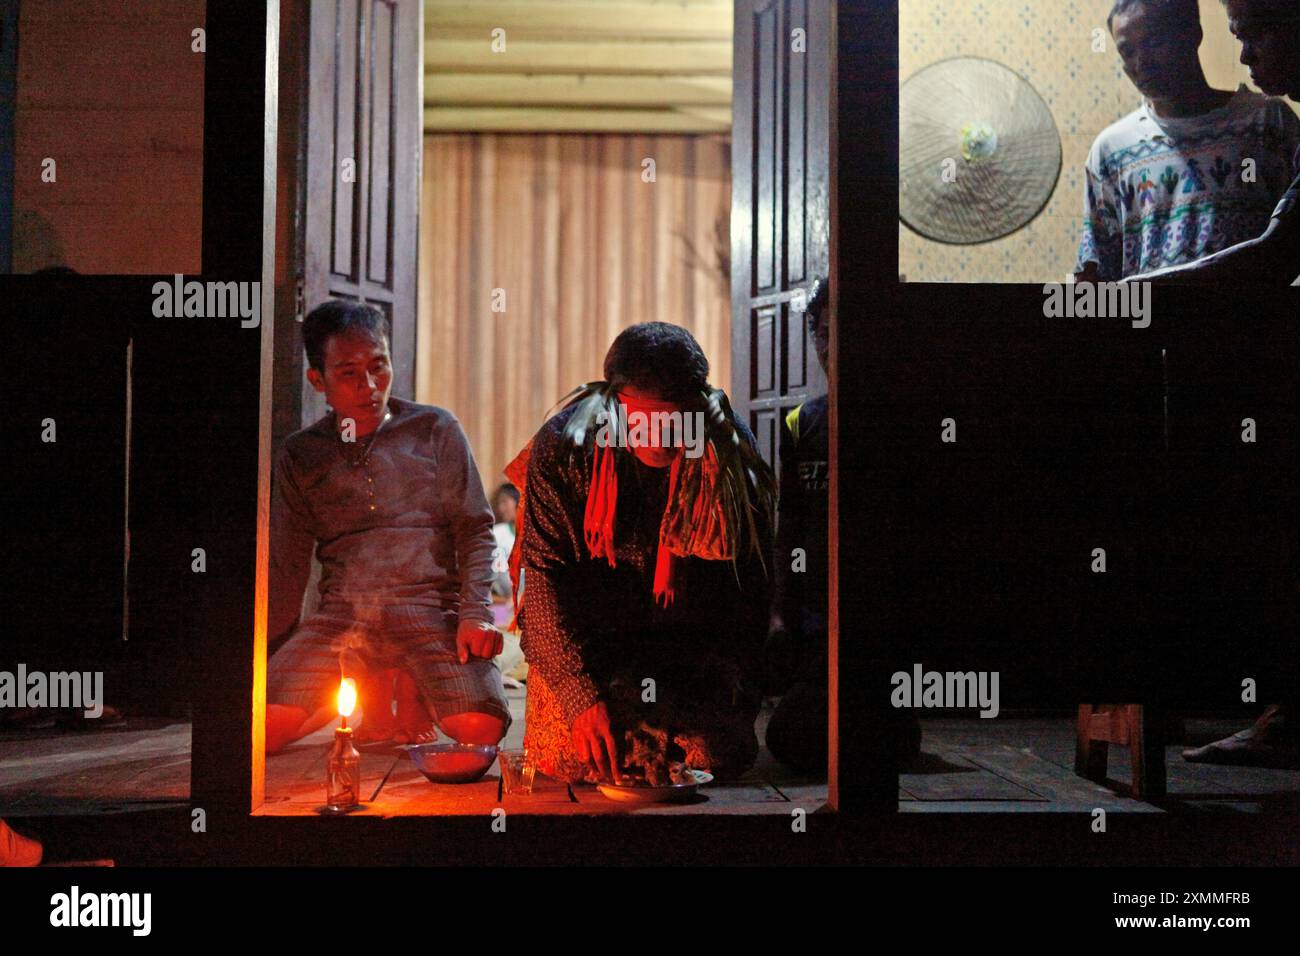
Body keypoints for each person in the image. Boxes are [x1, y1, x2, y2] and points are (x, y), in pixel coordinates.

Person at [508, 322, 775, 784]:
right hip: (590, 652)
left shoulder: (728, 452)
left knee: (713, 754)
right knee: (571, 757)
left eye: (674, 421)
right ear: (612, 404)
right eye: (640, 422)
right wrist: (579, 696)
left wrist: (731, 678)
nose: (658, 438)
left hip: (685, 651)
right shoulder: (566, 447)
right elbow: (543, 579)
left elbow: (752, 583)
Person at [263, 299, 510, 754]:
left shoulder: (434, 428)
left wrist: (474, 613)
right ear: (318, 380)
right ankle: (355, 692)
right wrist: (265, 657)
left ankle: (415, 689)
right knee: (259, 731)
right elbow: (286, 567)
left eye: (379, 366)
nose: (370, 386)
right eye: (349, 373)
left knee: (480, 731)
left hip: (431, 611)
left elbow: (476, 529)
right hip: (342, 619)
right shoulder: (302, 454)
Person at [764, 281, 919, 774]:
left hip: (879, 626)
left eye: (844, 332)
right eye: (824, 334)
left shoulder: (899, 419)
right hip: (816, 623)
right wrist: (781, 612)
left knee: (886, 741)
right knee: (791, 739)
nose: (832, 347)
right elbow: (789, 521)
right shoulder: (802, 422)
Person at [1075, 0, 1300, 282]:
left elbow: (1284, 247)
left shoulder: (1269, 123)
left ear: (1192, 33)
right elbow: (1093, 273)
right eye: (1127, 51)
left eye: (1155, 41)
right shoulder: (1110, 151)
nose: (1142, 63)